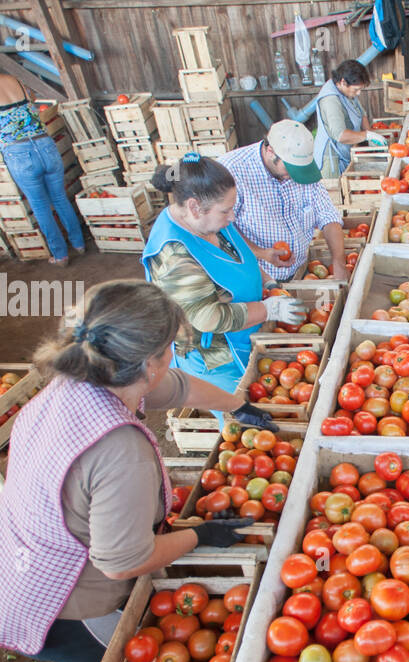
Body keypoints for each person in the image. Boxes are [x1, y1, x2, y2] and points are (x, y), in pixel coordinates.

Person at [0, 281, 276, 662]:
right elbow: (123, 561)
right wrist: (200, 537)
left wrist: (237, 403)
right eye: (169, 347)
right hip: (59, 602)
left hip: (12, 563)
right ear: (148, 363)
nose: (173, 356)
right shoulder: (121, 453)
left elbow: (177, 387)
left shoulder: (79, 380)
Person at [142, 153, 305, 413]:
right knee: (242, 414)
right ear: (194, 207)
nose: (232, 217)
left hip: (247, 331)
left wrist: (268, 279)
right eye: (226, 211)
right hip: (218, 357)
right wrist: (269, 309)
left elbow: (237, 253)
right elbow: (209, 317)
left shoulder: (208, 221)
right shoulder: (174, 256)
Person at [0, 34, 85, 266]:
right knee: (59, 197)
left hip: (19, 154)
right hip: (45, 145)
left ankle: (60, 254)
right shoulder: (13, 80)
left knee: (40, 205)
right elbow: (31, 106)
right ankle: (79, 243)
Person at [218, 119, 348, 282]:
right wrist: (261, 253)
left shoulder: (303, 172)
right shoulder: (231, 171)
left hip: (301, 272)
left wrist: (339, 261)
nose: (295, 177)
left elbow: (327, 215)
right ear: (271, 151)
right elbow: (222, 230)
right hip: (259, 278)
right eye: (290, 169)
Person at [311, 58, 387, 180]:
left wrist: (372, 137)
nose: (358, 93)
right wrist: (367, 135)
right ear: (343, 82)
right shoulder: (331, 100)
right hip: (332, 158)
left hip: (347, 149)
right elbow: (340, 135)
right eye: (356, 89)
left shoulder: (345, 90)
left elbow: (361, 114)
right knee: (337, 194)